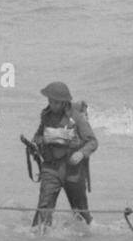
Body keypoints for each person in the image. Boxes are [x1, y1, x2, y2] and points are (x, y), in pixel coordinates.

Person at [31, 82, 97, 229]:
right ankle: (38, 240)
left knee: (81, 214)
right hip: (51, 168)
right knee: (43, 211)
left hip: (73, 171)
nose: (52, 105)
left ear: (64, 102)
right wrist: (45, 139)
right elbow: (37, 137)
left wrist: (81, 153)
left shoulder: (77, 118)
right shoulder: (46, 115)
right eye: (50, 101)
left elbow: (93, 142)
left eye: (55, 102)